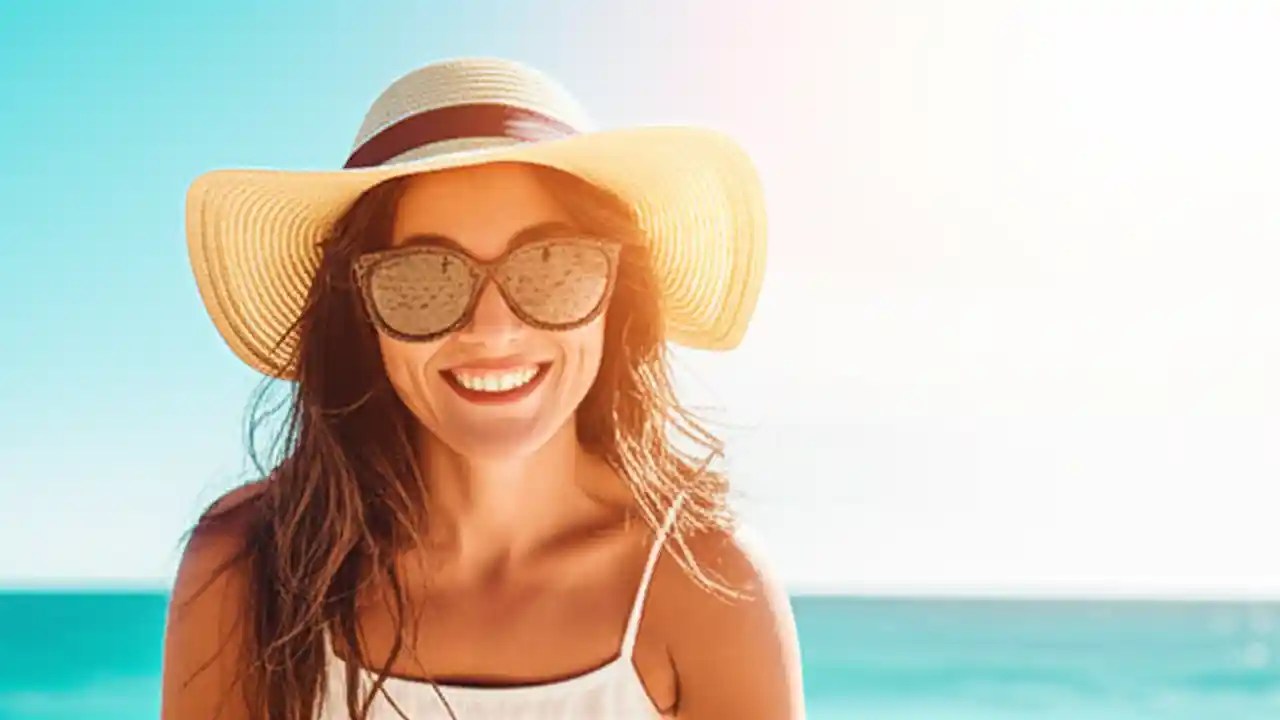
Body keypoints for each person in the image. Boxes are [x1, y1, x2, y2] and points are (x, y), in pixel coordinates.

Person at [161, 57, 804, 719]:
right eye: (423, 278)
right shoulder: (247, 566)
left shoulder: (710, 585)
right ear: (360, 311)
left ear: (617, 293)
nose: (493, 331)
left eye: (552, 265)